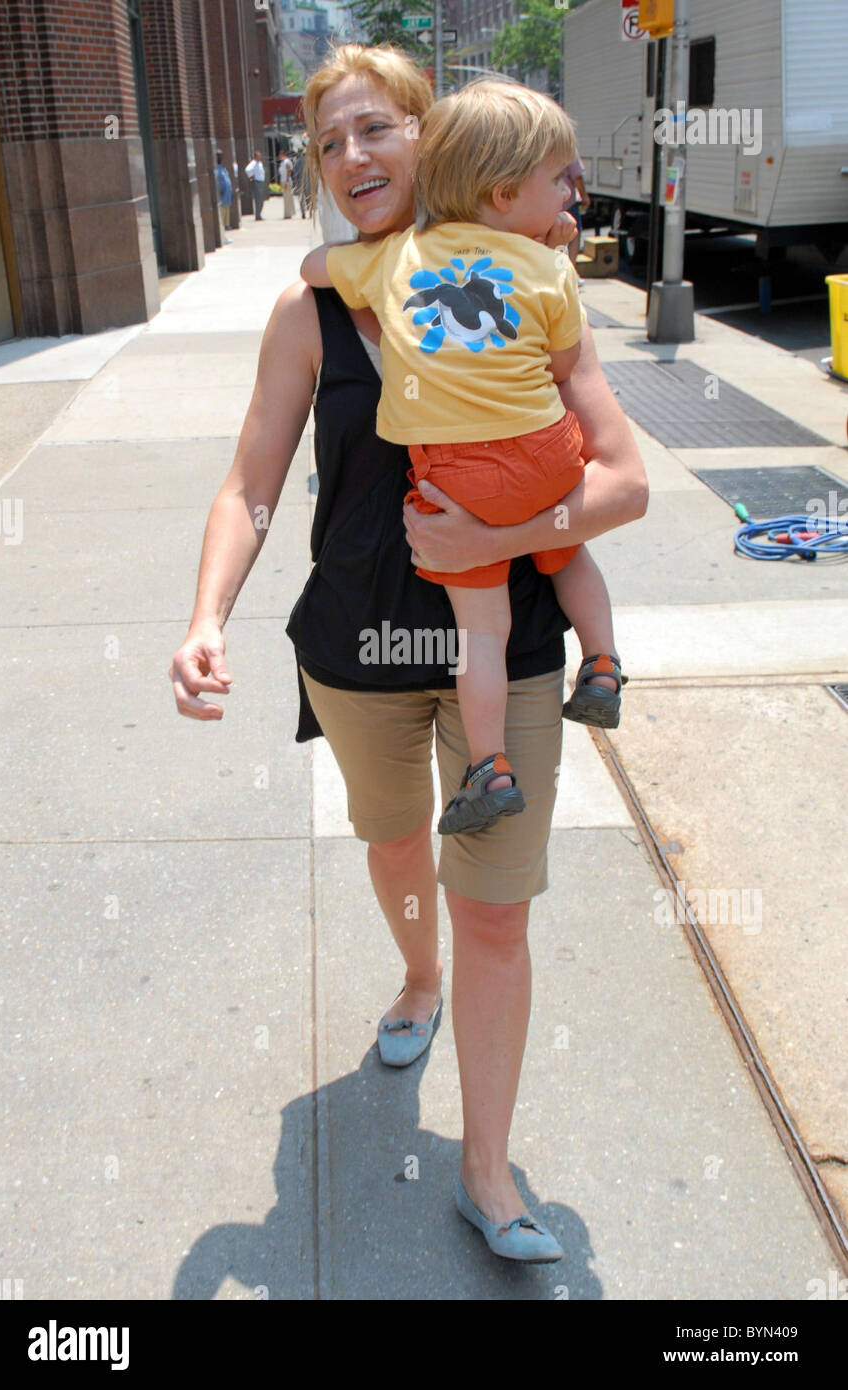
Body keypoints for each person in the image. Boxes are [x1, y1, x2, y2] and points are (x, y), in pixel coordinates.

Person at [168, 44, 648, 1265]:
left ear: (433, 139)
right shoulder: (315, 306)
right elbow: (251, 484)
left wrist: (508, 531)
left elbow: (623, 480)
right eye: (327, 144)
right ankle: (415, 978)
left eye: (374, 130)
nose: (350, 161)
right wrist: (207, 615)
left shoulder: (528, 278)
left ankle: (487, 1174)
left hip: (513, 647)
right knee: (394, 847)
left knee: (500, 913)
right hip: (358, 651)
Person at [300, 81, 625, 840]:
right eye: (560, 180)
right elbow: (565, 357)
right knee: (564, 551)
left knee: (482, 632)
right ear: (507, 191)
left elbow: (315, 268)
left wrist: (356, 256)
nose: (571, 194)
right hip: (545, 455)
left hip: (456, 477)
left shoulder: (394, 260)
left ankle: (490, 767)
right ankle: (604, 662)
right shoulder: (550, 269)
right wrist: (550, 254)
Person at [564, 148, 591, 267]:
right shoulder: (567, 147)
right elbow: (577, 176)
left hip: (545, 202)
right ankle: (570, 268)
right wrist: (584, 196)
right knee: (575, 233)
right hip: (567, 200)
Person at [215, 150, 233, 245]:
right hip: (221, 199)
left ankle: (224, 237)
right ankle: (223, 238)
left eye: (221, 156)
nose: (220, 158)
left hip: (226, 199)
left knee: (225, 222)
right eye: (218, 156)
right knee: (221, 221)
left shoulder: (223, 168)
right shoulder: (216, 169)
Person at [245, 150, 266, 221]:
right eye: (259, 156)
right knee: (258, 199)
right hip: (257, 182)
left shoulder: (260, 163)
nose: (260, 157)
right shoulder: (253, 163)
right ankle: (257, 215)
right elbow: (247, 169)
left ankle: (259, 214)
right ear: (255, 156)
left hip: (261, 182)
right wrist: (251, 176)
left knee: (261, 199)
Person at [278, 150, 295, 219]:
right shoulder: (282, 162)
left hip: (286, 181)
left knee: (288, 198)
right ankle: (287, 213)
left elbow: (288, 172)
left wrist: (286, 182)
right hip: (283, 180)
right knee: (286, 198)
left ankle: (289, 214)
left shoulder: (287, 162)